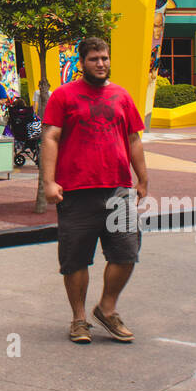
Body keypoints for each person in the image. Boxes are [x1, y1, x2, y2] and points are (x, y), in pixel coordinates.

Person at [41, 37, 148, 344]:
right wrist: (49, 181)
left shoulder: (121, 96)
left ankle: (107, 308)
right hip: (76, 191)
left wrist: (143, 179)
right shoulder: (63, 95)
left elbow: (134, 140)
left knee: (127, 252)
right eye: (94, 59)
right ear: (82, 62)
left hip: (118, 190)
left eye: (104, 58)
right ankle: (78, 319)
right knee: (75, 259)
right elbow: (51, 137)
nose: (101, 63)